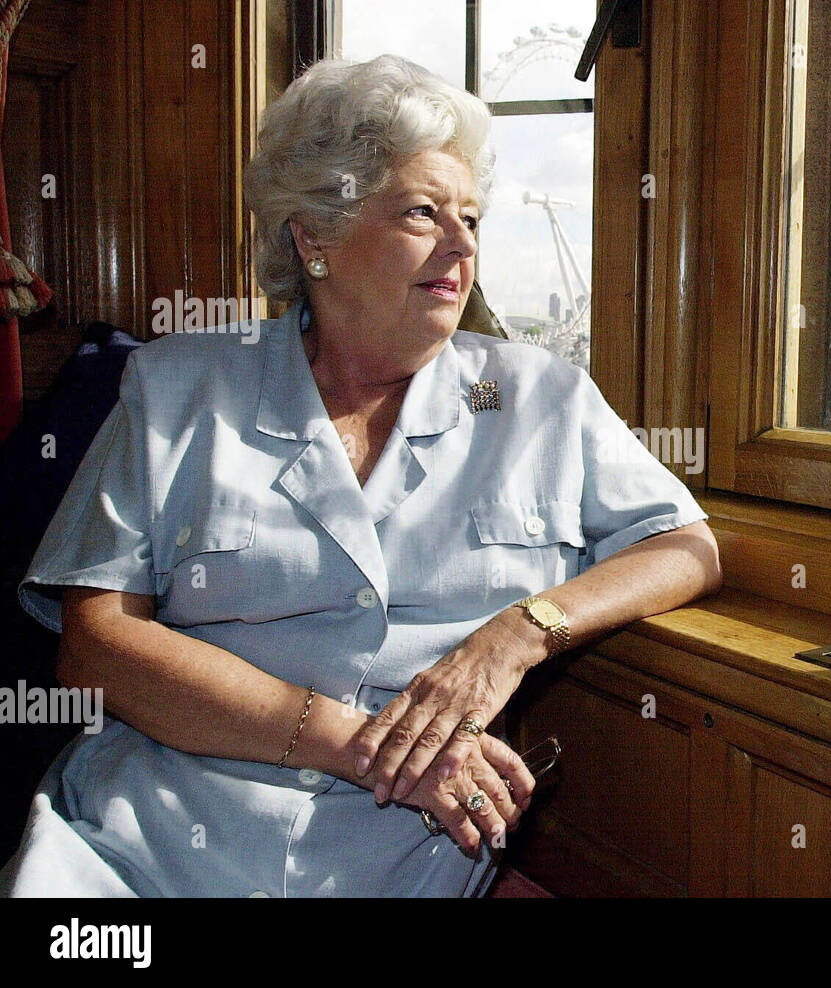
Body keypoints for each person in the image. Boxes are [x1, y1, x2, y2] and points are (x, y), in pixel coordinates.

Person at [0, 54, 722, 897]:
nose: (461, 245)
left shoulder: (530, 395)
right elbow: (97, 648)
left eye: (472, 219)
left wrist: (517, 636)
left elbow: (687, 546)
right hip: (145, 835)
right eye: (423, 213)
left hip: (395, 848)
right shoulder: (179, 387)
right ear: (316, 237)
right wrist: (356, 743)